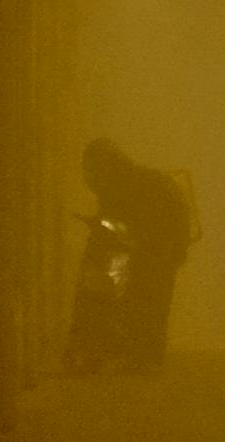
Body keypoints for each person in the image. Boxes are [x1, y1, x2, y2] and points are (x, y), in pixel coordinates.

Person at [78, 140, 196, 368]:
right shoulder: (142, 181)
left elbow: (118, 225)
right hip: (155, 254)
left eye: (92, 169)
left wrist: (103, 232)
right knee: (149, 304)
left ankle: (142, 357)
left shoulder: (124, 186)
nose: (90, 178)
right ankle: (143, 356)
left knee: (144, 303)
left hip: (152, 255)